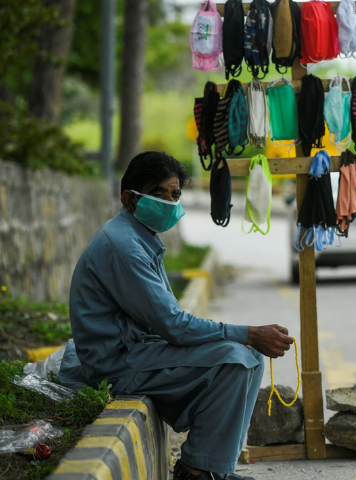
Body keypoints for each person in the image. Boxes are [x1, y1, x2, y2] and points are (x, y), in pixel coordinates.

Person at [58, 152, 293, 480]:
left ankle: (213, 466)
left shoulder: (136, 237)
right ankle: (198, 470)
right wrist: (249, 332)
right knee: (237, 359)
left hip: (139, 351)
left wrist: (246, 338)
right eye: (159, 194)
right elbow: (173, 325)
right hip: (118, 364)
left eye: (176, 194)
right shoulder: (123, 246)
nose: (170, 201)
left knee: (247, 354)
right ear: (129, 199)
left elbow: (169, 321)